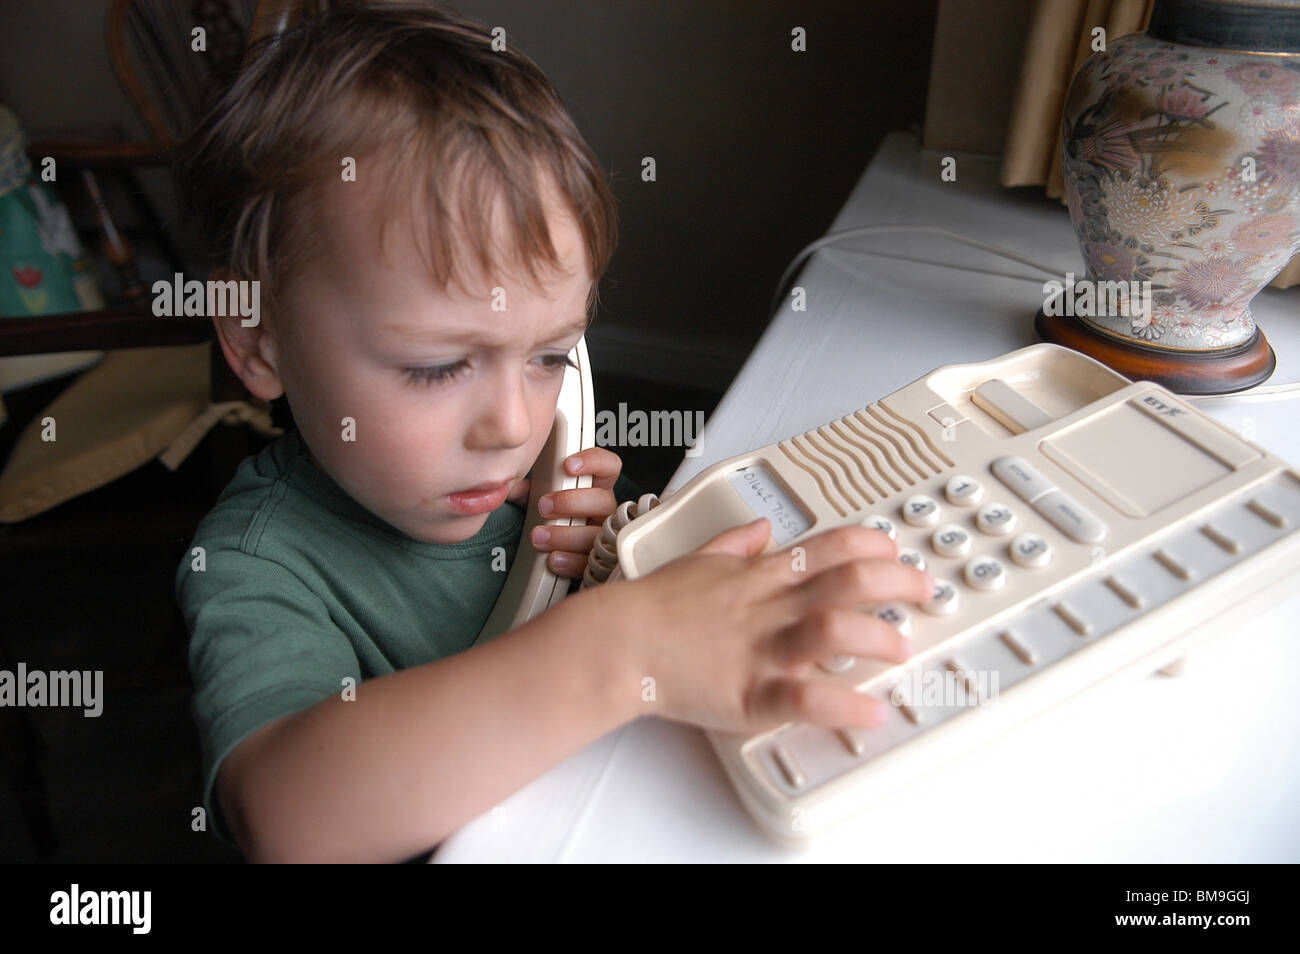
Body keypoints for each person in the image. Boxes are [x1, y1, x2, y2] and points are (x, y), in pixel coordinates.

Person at [174, 0, 931, 862]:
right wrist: (616, 642)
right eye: (435, 368)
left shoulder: (529, 481)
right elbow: (291, 817)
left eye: (549, 357)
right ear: (256, 340)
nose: (511, 425)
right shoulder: (253, 565)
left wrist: (600, 562)